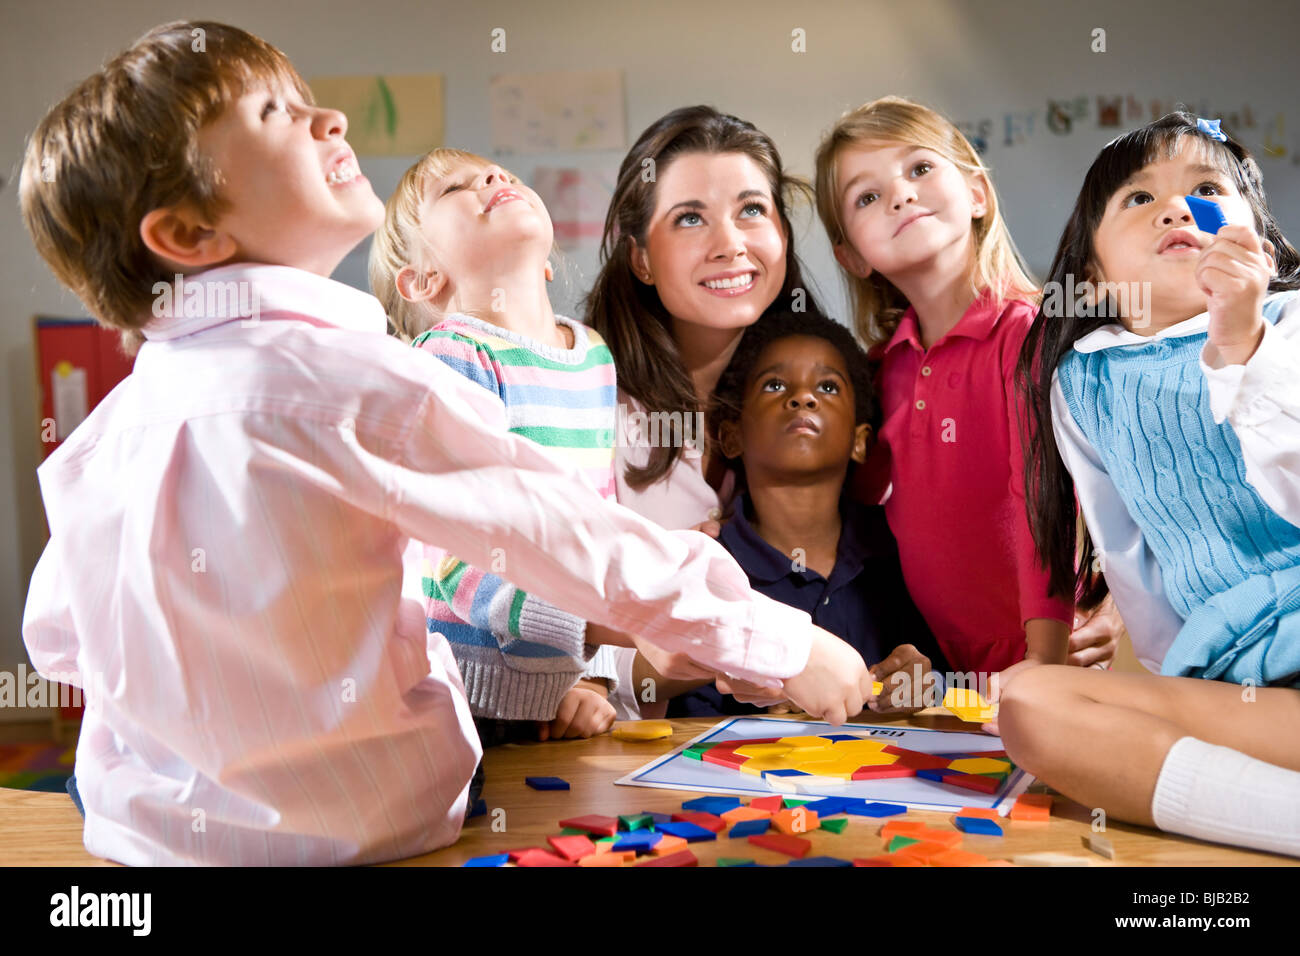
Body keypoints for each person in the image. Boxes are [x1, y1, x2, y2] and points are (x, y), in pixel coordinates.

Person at [18, 21, 872, 865]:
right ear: (188, 236)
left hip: (143, 833)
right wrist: (784, 642)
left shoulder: (103, 435)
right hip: (370, 826)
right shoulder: (356, 377)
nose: (331, 120)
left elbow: (57, 637)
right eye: (276, 114)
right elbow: (563, 532)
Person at [1003, 112, 1300, 857]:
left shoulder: (1290, 323)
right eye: (1138, 199)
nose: (1175, 208)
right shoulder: (1085, 381)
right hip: (1244, 693)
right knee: (1032, 704)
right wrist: (1170, 695)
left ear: (1255, 237)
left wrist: (1241, 347)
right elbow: (1133, 562)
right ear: (1096, 276)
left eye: (1206, 189)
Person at [814, 95, 1108, 683]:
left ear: (977, 193)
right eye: (867, 197)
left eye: (919, 168)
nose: (900, 194)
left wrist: (1041, 663)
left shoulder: (1029, 333)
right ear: (851, 256)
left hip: (1053, 656)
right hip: (948, 668)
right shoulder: (879, 368)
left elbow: (1041, 507)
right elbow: (852, 504)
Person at [669, 308, 949, 717]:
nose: (803, 397)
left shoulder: (900, 553)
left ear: (859, 441)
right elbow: (685, 719)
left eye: (829, 387)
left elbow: (952, 678)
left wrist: (929, 687)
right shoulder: (711, 567)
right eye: (775, 385)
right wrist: (764, 719)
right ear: (731, 437)